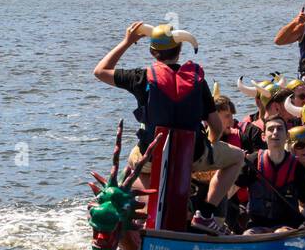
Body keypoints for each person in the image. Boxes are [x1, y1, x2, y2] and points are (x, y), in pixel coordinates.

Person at [93, 22, 243, 235]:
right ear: (180, 49)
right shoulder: (197, 79)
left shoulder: (140, 77)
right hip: (193, 154)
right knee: (237, 156)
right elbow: (216, 126)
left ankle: (147, 215)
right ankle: (206, 214)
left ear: (153, 52)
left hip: (151, 155)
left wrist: (127, 42)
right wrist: (210, 147)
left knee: (135, 160)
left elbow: (100, 71)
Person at [239, 118, 305, 233]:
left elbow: (304, 205)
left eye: (280, 129)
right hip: (257, 224)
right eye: (271, 129)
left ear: (287, 136)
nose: (275, 132)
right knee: (249, 235)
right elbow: (230, 191)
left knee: (280, 232)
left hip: (286, 225)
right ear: (263, 136)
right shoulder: (252, 161)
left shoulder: (297, 167)